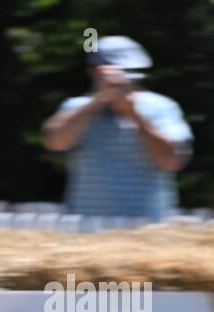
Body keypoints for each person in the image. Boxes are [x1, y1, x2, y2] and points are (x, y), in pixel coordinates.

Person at [41, 36, 192, 220]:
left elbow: (172, 161)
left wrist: (133, 115)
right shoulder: (76, 107)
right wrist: (96, 103)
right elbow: (55, 142)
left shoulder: (161, 106)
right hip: (86, 226)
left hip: (149, 226)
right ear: (93, 72)